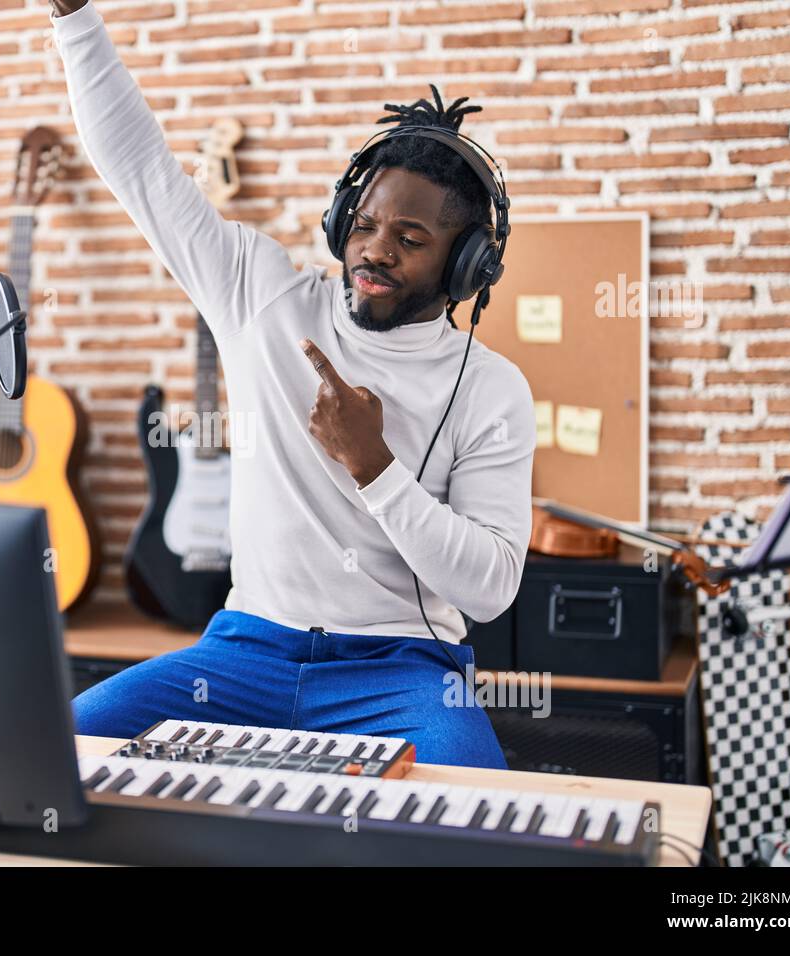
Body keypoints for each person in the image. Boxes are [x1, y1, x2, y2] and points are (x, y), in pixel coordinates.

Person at [48, 0, 534, 769]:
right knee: (63, 747)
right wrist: (74, 18)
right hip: (245, 651)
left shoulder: (491, 389)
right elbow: (141, 169)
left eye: (410, 240)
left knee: (474, 807)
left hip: (400, 671)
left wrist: (374, 468)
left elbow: (490, 588)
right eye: (364, 224)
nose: (373, 252)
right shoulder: (260, 293)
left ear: (468, 265)